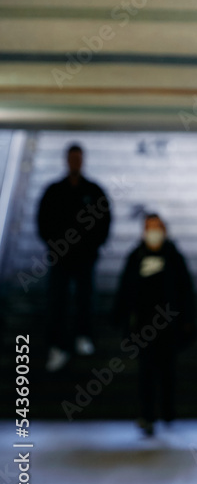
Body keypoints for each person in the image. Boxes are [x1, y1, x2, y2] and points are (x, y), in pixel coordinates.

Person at [113, 213, 196, 436]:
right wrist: (119, 317)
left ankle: (168, 412)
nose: (154, 232)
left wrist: (188, 320)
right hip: (142, 326)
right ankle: (147, 415)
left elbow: (186, 290)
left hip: (169, 326)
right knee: (146, 372)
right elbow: (125, 288)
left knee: (167, 371)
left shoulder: (174, 257)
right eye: (150, 227)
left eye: (157, 227)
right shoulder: (135, 256)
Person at [37, 144, 112, 372]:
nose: (75, 162)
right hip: (60, 258)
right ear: (66, 160)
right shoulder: (54, 191)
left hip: (85, 258)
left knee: (85, 299)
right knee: (57, 301)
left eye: (78, 158)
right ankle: (58, 345)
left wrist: (93, 247)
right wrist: (55, 246)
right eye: (72, 158)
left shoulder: (93, 191)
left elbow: (105, 222)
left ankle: (83, 336)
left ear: (83, 160)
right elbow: (43, 221)